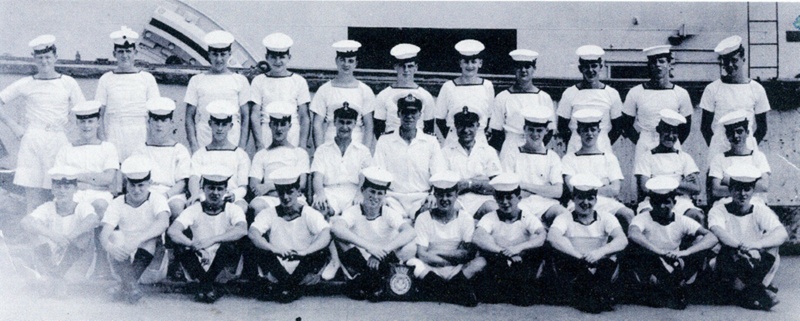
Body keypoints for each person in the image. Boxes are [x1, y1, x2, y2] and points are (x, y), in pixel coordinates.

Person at [0, 34, 86, 214]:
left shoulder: (68, 83)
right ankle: (34, 229)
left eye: (48, 57)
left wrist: (74, 134)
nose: (44, 61)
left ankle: (59, 229)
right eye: (40, 58)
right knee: (33, 194)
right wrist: (13, 125)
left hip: (59, 139)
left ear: (55, 57)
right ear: (34, 59)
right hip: (33, 139)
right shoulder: (26, 83)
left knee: (59, 191)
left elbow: (83, 111)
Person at [627, 176, 718, 310]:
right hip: (653, 259)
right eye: (657, 202)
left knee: (701, 244)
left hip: (675, 259)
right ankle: (673, 288)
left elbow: (712, 237)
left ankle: (670, 287)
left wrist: (686, 252)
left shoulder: (682, 220)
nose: (662, 206)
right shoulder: (642, 218)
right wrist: (659, 252)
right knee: (636, 248)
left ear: (674, 203)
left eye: (666, 202)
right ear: (651, 203)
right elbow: (633, 233)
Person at [708, 164, 787, 310]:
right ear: (730, 190)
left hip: (755, 260)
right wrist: (740, 246)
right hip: (729, 262)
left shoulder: (760, 210)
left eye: (747, 189)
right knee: (728, 250)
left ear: (753, 191)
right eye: (738, 189)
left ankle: (750, 291)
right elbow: (718, 231)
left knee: (773, 246)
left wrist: (756, 245)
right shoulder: (718, 210)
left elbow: (782, 233)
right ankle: (758, 291)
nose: (742, 194)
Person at [330, 167, 416, 301]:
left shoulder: (389, 213)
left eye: (380, 193)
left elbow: (410, 231)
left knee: (410, 247)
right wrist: (369, 247)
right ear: (363, 190)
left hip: (383, 259)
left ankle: (366, 282)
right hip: (359, 260)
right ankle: (368, 281)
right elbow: (336, 228)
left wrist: (381, 252)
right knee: (338, 237)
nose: (375, 197)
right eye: (372, 191)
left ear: (384, 195)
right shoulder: (353, 211)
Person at [547, 173, 628, 313]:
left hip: (599, 263)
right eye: (580, 197)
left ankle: (595, 294)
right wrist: (579, 257)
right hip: (576, 265)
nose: (585, 203)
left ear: (596, 200)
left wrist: (599, 252)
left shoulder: (606, 217)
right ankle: (594, 295)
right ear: (573, 198)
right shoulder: (564, 218)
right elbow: (552, 237)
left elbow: (622, 240)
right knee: (560, 248)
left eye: (590, 198)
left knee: (613, 257)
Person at [248, 168, 331, 303]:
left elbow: (326, 233)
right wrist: (274, 249)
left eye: (290, 192)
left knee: (320, 250)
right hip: (278, 263)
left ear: (298, 192)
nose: (285, 197)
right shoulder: (269, 213)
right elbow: (253, 233)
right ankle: (292, 287)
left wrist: (305, 252)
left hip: (302, 263)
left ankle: (285, 286)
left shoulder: (308, 213)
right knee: (255, 246)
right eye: (281, 192)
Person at [167, 165, 247, 303]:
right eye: (211, 188)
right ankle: (209, 286)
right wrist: (193, 245)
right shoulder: (194, 209)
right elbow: (173, 231)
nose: (215, 193)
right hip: (199, 257)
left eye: (219, 189)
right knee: (181, 245)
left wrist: (212, 240)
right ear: (203, 189)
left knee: (230, 245)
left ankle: (204, 285)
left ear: (225, 190)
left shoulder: (233, 209)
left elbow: (242, 230)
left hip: (221, 261)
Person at [406, 171, 485, 307]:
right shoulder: (423, 218)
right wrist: (448, 260)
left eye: (449, 195)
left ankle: (440, 291)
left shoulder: (465, 218)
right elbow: (422, 255)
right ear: (435, 195)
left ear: (456, 196)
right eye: (440, 195)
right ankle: (454, 291)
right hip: (431, 268)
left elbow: (467, 254)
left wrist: (437, 253)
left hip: (457, 268)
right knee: (413, 263)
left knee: (480, 262)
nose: (444, 199)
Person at [99, 155, 170, 304]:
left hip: (150, 266)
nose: (136, 190)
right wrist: (110, 247)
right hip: (122, 261)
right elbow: (105, 233)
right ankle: (131, 286)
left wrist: (137, 240)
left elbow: (163, 222)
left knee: (150, 238)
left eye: (141, 185)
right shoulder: (118, 202)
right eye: (132, 185)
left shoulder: (157, 199)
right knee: (115, 236)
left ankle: (125, 286)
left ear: (149, 183)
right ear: (126, 184)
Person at [472, 173, 547, 306]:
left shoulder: (527, 217)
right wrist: (504, 252)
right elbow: (477, 237)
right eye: (500, 198)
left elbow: (541, 235)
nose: (505, 202)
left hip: (521, 262)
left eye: (509, 197)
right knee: (490, 295)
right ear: (495, 198)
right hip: (499, 262)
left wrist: (518, 248)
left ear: (519, 198)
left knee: (525, 298)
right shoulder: (490, 217)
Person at [20, 166, 98, 285]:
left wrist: (68, 239)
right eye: (58, 187)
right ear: (52, 189)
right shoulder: (48, 207)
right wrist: (54, 236)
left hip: (73, 261)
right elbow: (25, 221)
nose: (62, 191)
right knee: (32, 229)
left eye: (67, 187)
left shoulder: (83, 206)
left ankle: (56, 275)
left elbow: (93, 219)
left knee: (85, 233)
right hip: (51, 258)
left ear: (75, 189)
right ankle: (54, 275)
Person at [373, 94, 446, 220]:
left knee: (426, 219)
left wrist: (434, 195)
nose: (409, 116)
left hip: (421, 198)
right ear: (398, 114)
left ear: (420, 115)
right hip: (392, 198)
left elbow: (438, 173)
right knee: (390, 222)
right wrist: (381, 196)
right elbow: (378, 173)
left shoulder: (431, 142)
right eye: (405, 112)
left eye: (413, 112)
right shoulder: (385, 141)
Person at [561, 109, 635, 231]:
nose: (589, 134)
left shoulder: (609, 158)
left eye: (593, 130)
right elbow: (572, 190)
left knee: (628, 214)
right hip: (579, 203)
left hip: (607, 203)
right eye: (585, 130)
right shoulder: (569, 158)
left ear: (599, 131)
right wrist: (603, 185)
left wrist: (584, 187)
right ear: (579, 132)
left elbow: (615, 189)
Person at [700, 35, 770, 164]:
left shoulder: (756, 89)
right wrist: (716, 147)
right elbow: (705, 127)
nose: (730, 65)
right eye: (726, 61)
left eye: (734, 60)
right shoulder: (712, 89)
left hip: (746, 153)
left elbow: (762, 128)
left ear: (743, 60)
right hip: (719, 151)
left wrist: (747, 146)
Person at [618, 45, 693, 165]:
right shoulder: (636, 92)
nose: (658, 65)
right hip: (645, 143)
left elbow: (686, 127)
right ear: (649, 65)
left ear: (669, 64)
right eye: (653, 62)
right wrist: (641, 141)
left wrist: (671, 141)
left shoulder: (681, 93)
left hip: (671, 143)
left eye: (662, 61)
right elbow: (626, 125)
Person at [95, 26, 160, 161]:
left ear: (135, 52)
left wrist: (152, 142)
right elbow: (99, 115)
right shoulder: (106, 79)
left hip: (140, 132)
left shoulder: (147, 78)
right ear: (114, 54)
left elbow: (156, 113)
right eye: (120, 51)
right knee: (115, 169)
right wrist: (103, 142)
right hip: (114, 132)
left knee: (139, 168)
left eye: (128, 51)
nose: (125, 56)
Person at [633, 110, 704, 224]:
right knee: (646, 217)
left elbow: (696, 188)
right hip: (653, 201)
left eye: (674, 132)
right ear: (659, 131)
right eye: (666, 131)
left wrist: (657, 182)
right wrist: (681, 184)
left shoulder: (684, 157)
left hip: (680, 201)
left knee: (697, 216)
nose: (670, 136)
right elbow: (645, 188)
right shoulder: (646, 157)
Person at [500, 108, 568, 227]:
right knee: (525, 224)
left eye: (539, 130)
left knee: (564, 215)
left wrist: (525, 185)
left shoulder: (552, 156)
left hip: (547, 204)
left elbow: (557, 191)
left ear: (546, 131)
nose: (535, 134)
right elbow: (509, 189)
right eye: (531, 129)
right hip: (520, 204)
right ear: (524, 129)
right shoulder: (512, 154)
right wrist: (545, 189)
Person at [184, 30, 250, 153]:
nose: (219, 59)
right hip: (204, 141)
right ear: (209, 54)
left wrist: (241, 147)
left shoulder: (240, 80)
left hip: (232, 141)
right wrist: (194, 146)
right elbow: (189, 117)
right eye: (215, 54)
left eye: (223, 54)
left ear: (229, 54)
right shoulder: (197, 80)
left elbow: (246, 117)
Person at [54, 100, 119, 217]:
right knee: (64, 206)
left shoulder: (108, 148)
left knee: (100, 205)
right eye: (82, 122)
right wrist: (94, 181)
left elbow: (108, 179)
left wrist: (75, 177)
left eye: (90, 121)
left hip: (99, 194)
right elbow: (60, 179)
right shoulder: (66, 149)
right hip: (72, 194)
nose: (86, 126)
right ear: (77, 123)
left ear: (98, 122)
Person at [556, 45, 623, 154]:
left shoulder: (612, 93)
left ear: (600, 67)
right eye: (586, 67)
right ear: (580, 69)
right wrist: (575, 141)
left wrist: (603, 141)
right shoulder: (569, 93)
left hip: (602, 147)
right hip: (576, 147)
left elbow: (618, 127)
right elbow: (562, 126)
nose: (590, 70)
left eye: (594, 66)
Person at [132, 97, 191, 219]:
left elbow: (182, 182)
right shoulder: (140, 150)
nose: (159, 125)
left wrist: (166, 196)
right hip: (146, 193)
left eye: (164, 120)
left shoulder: (179, 150)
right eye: (155, 120)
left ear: (171, 123)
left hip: (172, 194)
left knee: (176, 206)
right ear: (149, 122)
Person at [250, 32, 311, 150]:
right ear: (267, 57)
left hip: (292, 133)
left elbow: (304, 116)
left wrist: (302, 145)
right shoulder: (259, 81)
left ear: (289, 57)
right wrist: (259, 143)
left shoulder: (299, 81)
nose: (278, 61)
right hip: (267, 133)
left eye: (282, 57)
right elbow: (255, 114)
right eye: (273, 57)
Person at [249, 100, 311, 216]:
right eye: (275, 124)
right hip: (269, 199)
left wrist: (268, 187)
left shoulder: (300, 153)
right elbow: (255, 187)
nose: (279, 129)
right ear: (270, 125)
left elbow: (301, 184)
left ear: (289, 126)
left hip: (293, 198)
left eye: (283, 124)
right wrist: (281, 191)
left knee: (299, 208)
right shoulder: (261, 154)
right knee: (256, 206)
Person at [310, 40, 375, 148]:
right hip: (330, 143)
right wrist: (320, 151)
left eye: (350, 61)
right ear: (336, 61)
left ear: (356, 63)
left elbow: (369, 125)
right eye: (342, 60)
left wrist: (365, 152)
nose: (346, 64)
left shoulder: (365, 90)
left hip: (356, 143)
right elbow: (317, 124)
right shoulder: (325, 90)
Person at [311, 103, 372, 217]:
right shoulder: (322, 150)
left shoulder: (363, 151)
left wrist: (359, 193)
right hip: (329, 192)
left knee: (357, 215)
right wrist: (320, 194)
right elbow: (317, 177)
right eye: (341, 122)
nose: (344, 127)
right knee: (320, 210)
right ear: (335, 122)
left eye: (348, 123)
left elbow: (364, 176)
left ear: (354, 124)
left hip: (353, 192)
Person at [489, 49, 555, 154]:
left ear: (534, 69)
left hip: (536, 148)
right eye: (519, 66)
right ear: (514, 69)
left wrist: (534, 145)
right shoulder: (502, 97)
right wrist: (509, 150)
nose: (523, 70)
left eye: (527, 66)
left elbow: (549, 131)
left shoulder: (544, 97)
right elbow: (496, 131)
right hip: (511, 147)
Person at [188, 100, 250, 212]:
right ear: (210, 124)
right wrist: (195, 194)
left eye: (224, 124)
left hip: (230, 197)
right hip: (206, 196)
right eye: (216, 123)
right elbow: (194, 178)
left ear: (230, 126)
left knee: (240, 207)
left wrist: (234, 195)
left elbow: (243, 186)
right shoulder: (200, 154)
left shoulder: (240, 154)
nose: (220, 129)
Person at [442, 107, 501, 219]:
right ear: (455, 126)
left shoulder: (488, 151)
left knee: (496, 211)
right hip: (456, 200)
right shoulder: (446, 152)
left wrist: (469, 184)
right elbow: (444, 185)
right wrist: (481, 181)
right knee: (446, 213)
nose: (466, 130)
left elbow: (496, 186)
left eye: (470, 125)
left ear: (477, 126)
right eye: (461, 125)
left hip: (483, 200)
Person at [434, 39, 495, 144]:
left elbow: (490, 116)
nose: (470, 66)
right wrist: (452, 136)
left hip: (479, 138)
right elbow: (440, 118)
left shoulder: (487, 86)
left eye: (473, 62)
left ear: (480, 63)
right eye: (466, 62)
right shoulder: (448, 87)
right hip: (454, 137)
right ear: (460, 63)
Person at [373, 43, 436, 138]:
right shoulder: (384, 95)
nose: (406, 70)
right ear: (395, 67)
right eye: (402, 66)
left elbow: (429, 129)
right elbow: (378, 128)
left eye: (410, 66)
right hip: (391, 143)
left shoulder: (425, 96)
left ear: (416, 68)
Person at [708, 110, 771, 205]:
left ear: (747, 132)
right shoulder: (719, 158)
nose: (736, 136)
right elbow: (716, 190)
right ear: (727, 135)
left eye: (739, 131)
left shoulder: (758, 157)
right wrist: (750, 184)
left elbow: (764, 186)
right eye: (731, 132)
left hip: (755, 203)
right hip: (726, 204)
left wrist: (729, 182)